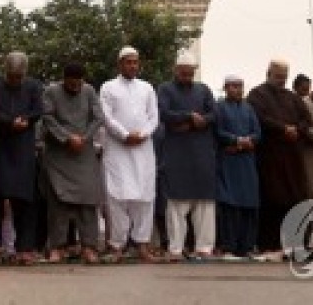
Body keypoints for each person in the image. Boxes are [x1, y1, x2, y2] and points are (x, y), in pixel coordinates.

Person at [0, 51, 43, 264]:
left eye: (19, 76)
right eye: (12, 76)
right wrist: (9, 122)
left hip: (23, 149)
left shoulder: (34, 86)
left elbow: (38, 109)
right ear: (5, 70)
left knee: (24, 201)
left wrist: (25, 119)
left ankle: (25, 248)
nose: (15, 80)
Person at [155, 52, 217, 261]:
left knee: (204, 205)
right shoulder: (165, 89)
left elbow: (214, 114)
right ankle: (175, 249)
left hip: (202, 156)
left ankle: (204, 248)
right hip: (177, 155)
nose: (187, 78)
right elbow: (163, 113)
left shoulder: (204, 89)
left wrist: (191, 124)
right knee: (176, 205)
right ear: (176, 70)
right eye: (183, 74)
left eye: (190, 74)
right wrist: (189, 116)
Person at [40, 62, 104, 264]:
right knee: (58, 202)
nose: (76, 86)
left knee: (88, 201)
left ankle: (89, 247)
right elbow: (47, 118)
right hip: (59, 153)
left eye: (79, 83)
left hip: (83, 152)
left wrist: (84, 138)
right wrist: (67, 138)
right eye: (72, 83)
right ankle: (57, 247)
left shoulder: (89, 91)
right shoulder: (51, 91)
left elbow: (98, 117)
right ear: (64, 79)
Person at [99, 46, 159, 261]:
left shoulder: (147, 88)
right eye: (128, 62)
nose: (132, 66)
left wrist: (142, 134)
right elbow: (106, 117)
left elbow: (154, 117)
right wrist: (125, 135)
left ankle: (142, 245)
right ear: (120, 64)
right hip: (118, 150)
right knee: (116, 196)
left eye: (135, 62)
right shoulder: (108, 87)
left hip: (143, 149)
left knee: (145, 196)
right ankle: (117, 246)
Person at [247, 59, 310, 255]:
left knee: (294, 198)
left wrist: (296, 129)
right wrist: (283, 129)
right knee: (272, 199)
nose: (281, 81)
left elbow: (306, 119)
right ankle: (269, 244)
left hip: (292, 156)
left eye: (284, 77)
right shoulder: (257, 94)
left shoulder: (293, 98)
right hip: (269, 156)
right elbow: (259, 118)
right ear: (269, 73)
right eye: (278, 77)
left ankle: (293, 243)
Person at [214, 75, 260, 260]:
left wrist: (247, 142)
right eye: (234, 86)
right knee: (230, 205)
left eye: (240, 86)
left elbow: (257, 132)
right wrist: (236, 140)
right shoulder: (219, 107)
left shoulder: (249, 108)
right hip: (228, 162)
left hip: (247, 162)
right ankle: (230, 247)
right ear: (225, 88)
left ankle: (246, 247)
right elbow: (217, 131)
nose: (238, 90)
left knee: (249, 204)